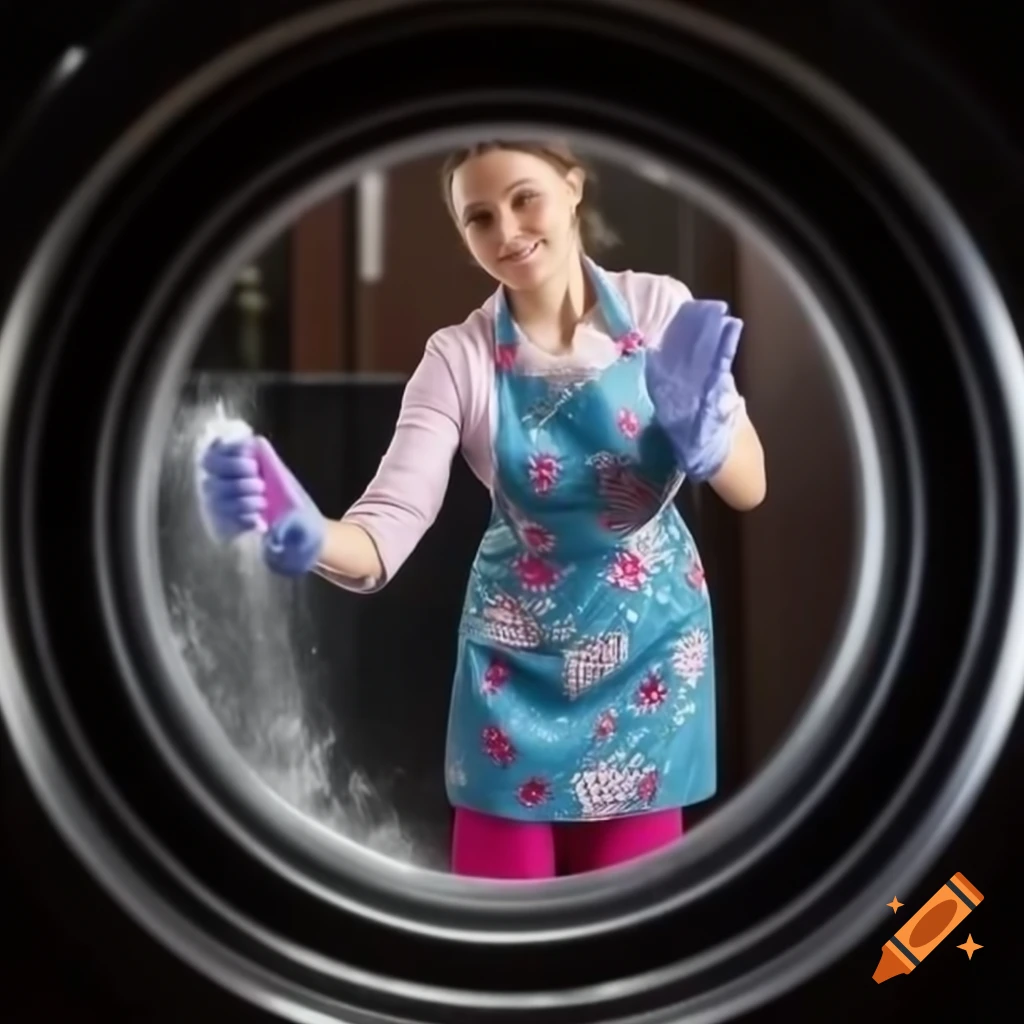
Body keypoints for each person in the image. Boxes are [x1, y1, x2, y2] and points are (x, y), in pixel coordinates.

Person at [199, 140, 767, 880]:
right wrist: (306, 533)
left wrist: (709, 434)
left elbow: (749, 487)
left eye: (524, 198)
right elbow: (384, 531)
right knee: (502, 941)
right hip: (514, 670)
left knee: (627, 936)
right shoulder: (457, 359)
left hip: (650, 658)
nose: (506, 230)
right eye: (479, 217)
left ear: (572, 188)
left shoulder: (662, 308)